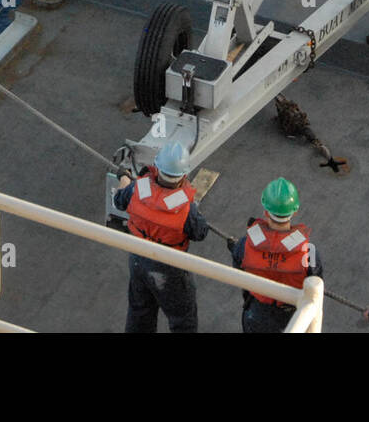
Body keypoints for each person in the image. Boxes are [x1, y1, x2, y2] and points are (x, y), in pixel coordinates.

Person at [114, 141, 210, 332]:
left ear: (157, 168)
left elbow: (119, 200)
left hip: (139, 259)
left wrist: (124, 177)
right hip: (170, 269)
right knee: (182, 320)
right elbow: (200, 232)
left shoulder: (138, 189)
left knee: (139, 312)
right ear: (183, 175)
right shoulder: (185, 208)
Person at [229, 177, 322, 333]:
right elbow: (317, 283)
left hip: (256, 315)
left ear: (266, 211)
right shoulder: (309, 252)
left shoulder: (245, 244)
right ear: (295, 211)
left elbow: (240, 272)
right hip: (291, 318)